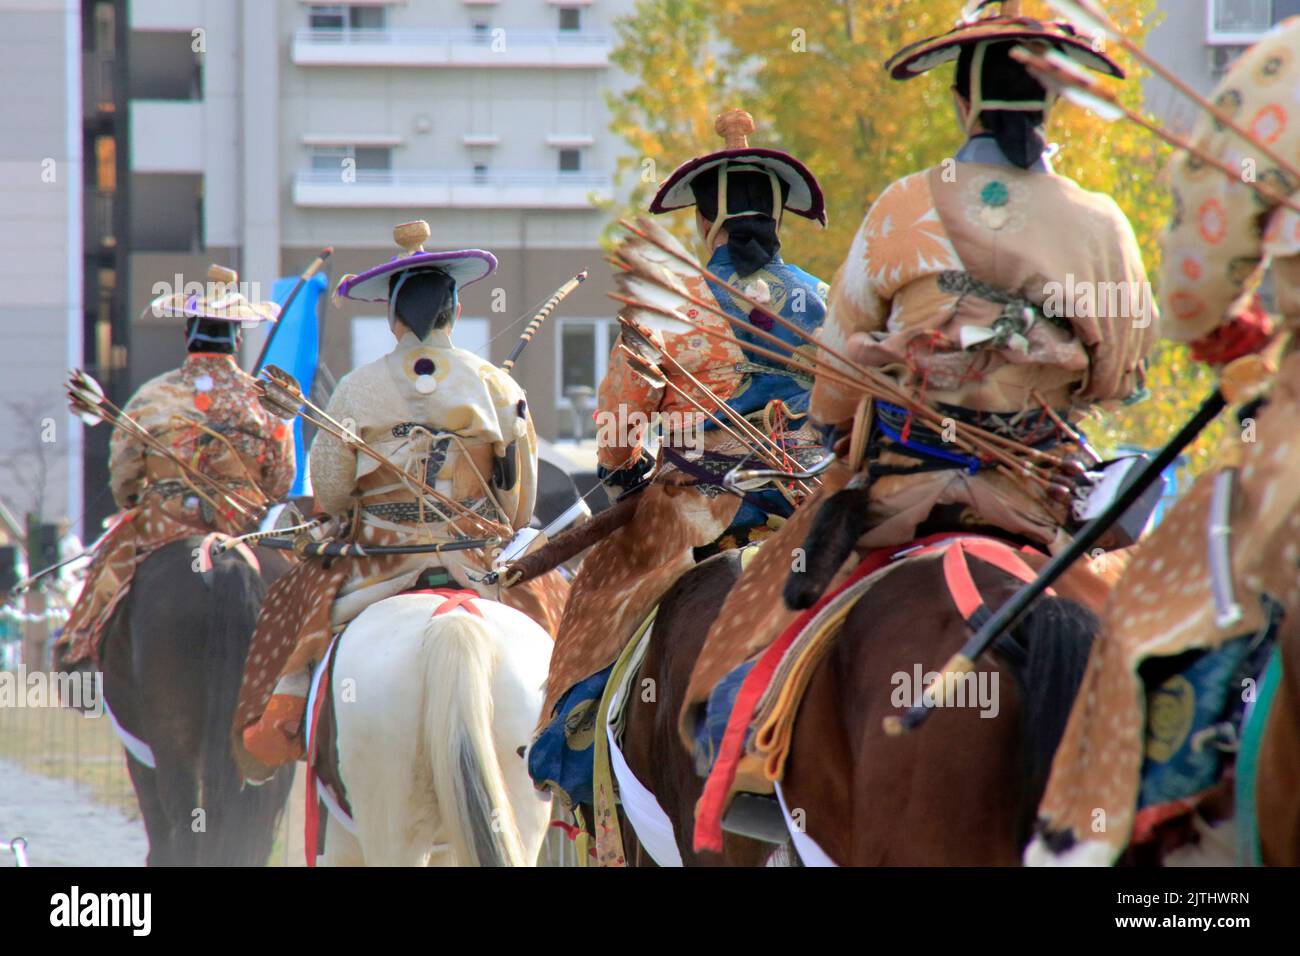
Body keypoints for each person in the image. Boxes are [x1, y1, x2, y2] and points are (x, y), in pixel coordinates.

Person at [681, 1, 1156, 757]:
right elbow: (1118, 379)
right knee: (1164, 652)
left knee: (744, 672)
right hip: (1043, 504)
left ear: (960, 99)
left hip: (899, 498)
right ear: (1054, 97)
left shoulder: (903, 205)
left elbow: (834, 382)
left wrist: (838, 425)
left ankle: (733, 748)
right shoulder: (1102, 224)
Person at [1034, 14, 1300, 866]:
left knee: (1148, 621)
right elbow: (1125, 369)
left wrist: (1244, 344)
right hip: (1042, 459)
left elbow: (1191, 300)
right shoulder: (1088, 216)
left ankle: (1170, 872)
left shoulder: (1279, 74)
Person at [528, 108, 830, 806]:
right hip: (814, 498)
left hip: (700, 511)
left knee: (599, 596)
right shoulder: (824, 298)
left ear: (705, 224)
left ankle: (569, 745)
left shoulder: (668, 304)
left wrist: (625, 473)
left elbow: (618, 426)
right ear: (777, 221)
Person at [236, 221, 568, 778]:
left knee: (290, 607)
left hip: (378, 564)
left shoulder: (355, 390)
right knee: (561, 622)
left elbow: (335, 495)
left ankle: (283, 716)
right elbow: (516, 506)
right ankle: (568, 727)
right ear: (454, 312)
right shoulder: (498, 387)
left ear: (392, 319)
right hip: (479, 563)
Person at [56, 265, 293, 668]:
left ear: (188, 336)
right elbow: (281, 481)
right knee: (300, 586)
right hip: (244, 528)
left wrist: (137, 496)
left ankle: (78, 651)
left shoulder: (151, 398)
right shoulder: (264, 404)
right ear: (237, 337)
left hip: (163, 525)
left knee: (104, 571)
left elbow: (125, 484)